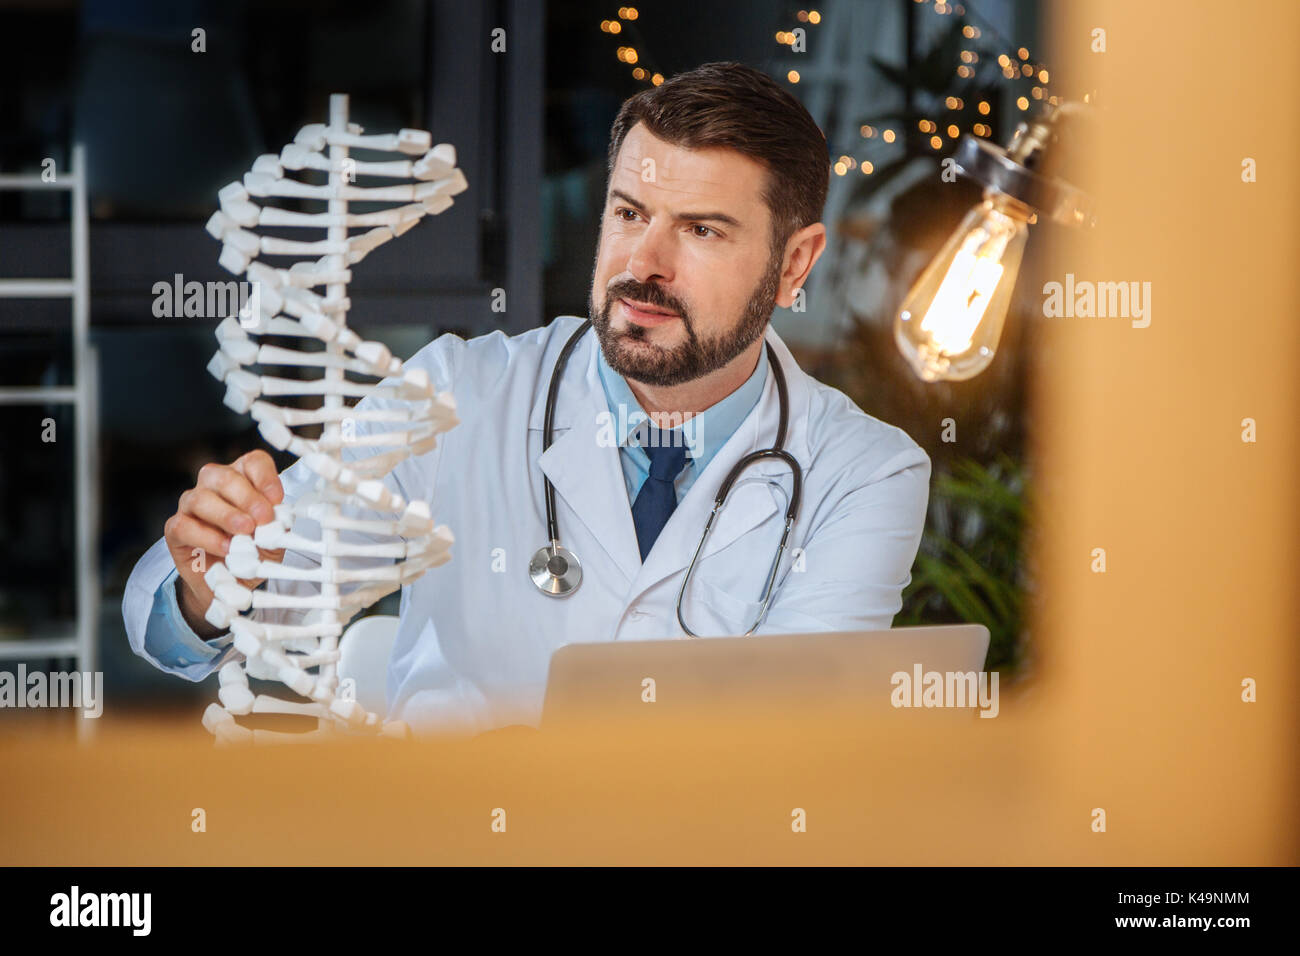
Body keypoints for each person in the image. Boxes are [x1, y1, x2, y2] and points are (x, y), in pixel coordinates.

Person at [122, 62, 931, 734]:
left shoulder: (865, 473)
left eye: (701, 230)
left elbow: (791, 736)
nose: (643, 263)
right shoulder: (455, 395)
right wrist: (210, 587)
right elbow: (235, 601)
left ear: (795, 265)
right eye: (629, 212)